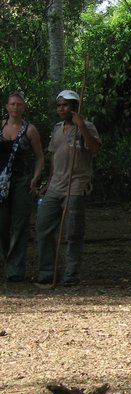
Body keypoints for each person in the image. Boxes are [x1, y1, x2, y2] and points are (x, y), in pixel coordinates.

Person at [35, 90, 101, 287]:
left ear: (75, 106)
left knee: (73, 231)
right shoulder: (57, 128)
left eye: (65, 105)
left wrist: (81, 126)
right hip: (56, 185)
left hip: (76, 185)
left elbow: (94, 149)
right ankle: (47, 272)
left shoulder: (87, 126)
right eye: (59, 105)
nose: (61, 108)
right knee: (43, 226)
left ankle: (71, 275)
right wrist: (48, 182)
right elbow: (54, 158)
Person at [0, 91, 44, 282]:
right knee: (2, 224)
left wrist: (35, 178)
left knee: (20, 225)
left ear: (24, 107)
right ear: (7, 106)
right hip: (1, 182)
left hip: (21, 181)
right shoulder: (0, 126)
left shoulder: (30, 130)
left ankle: (15, 270)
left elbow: (40, 157)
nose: (15, 108)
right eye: (12, 104)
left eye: (19, 104)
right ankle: (6, 260)